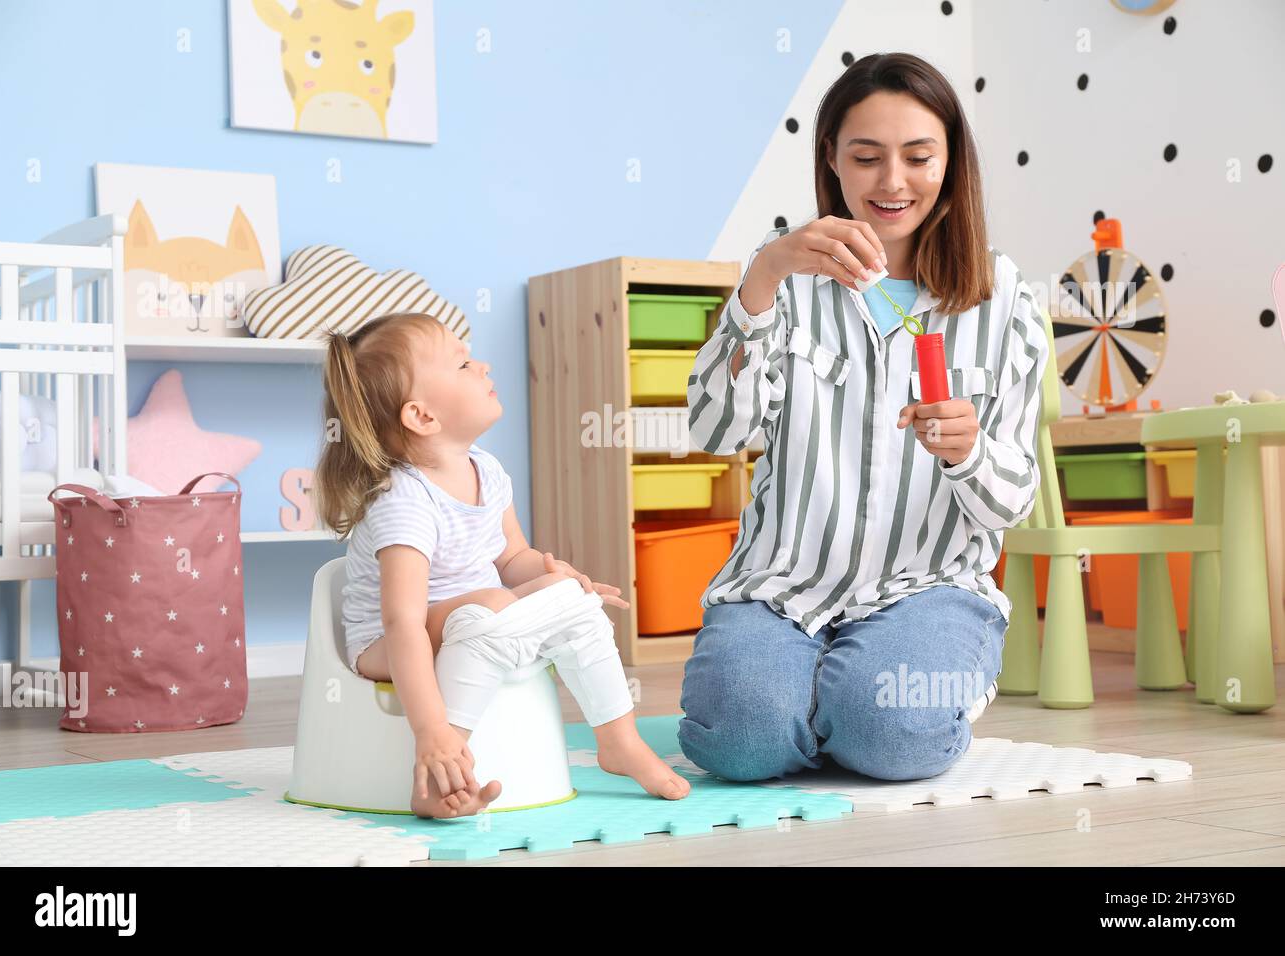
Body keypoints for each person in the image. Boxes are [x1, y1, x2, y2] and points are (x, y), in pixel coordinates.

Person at [679, 52, 1050, 783]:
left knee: (895, 740)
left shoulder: (1004, 297)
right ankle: (816, 694)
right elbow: (714, 432)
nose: (892, 182)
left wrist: (969, 451)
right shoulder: (784, 278)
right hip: (781, 583)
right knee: (736, 742)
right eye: (866, 156)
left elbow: (1014, 501)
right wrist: (759, 283)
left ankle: (854, 697)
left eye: (918, 157)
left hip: (930, 584)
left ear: (951, 161)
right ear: (832, 159)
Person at [315, 312, 690, 818]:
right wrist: (432, 731)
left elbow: (512, 557)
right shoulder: (403, 501)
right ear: (422, 417)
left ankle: (618, 741)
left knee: (575, 603)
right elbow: (401, 621)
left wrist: (553, 575)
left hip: (482, 622)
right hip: (387, 644)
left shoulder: (486, 472)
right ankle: (440, 773)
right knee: (486, 609)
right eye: (464, 363)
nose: (484, 366)